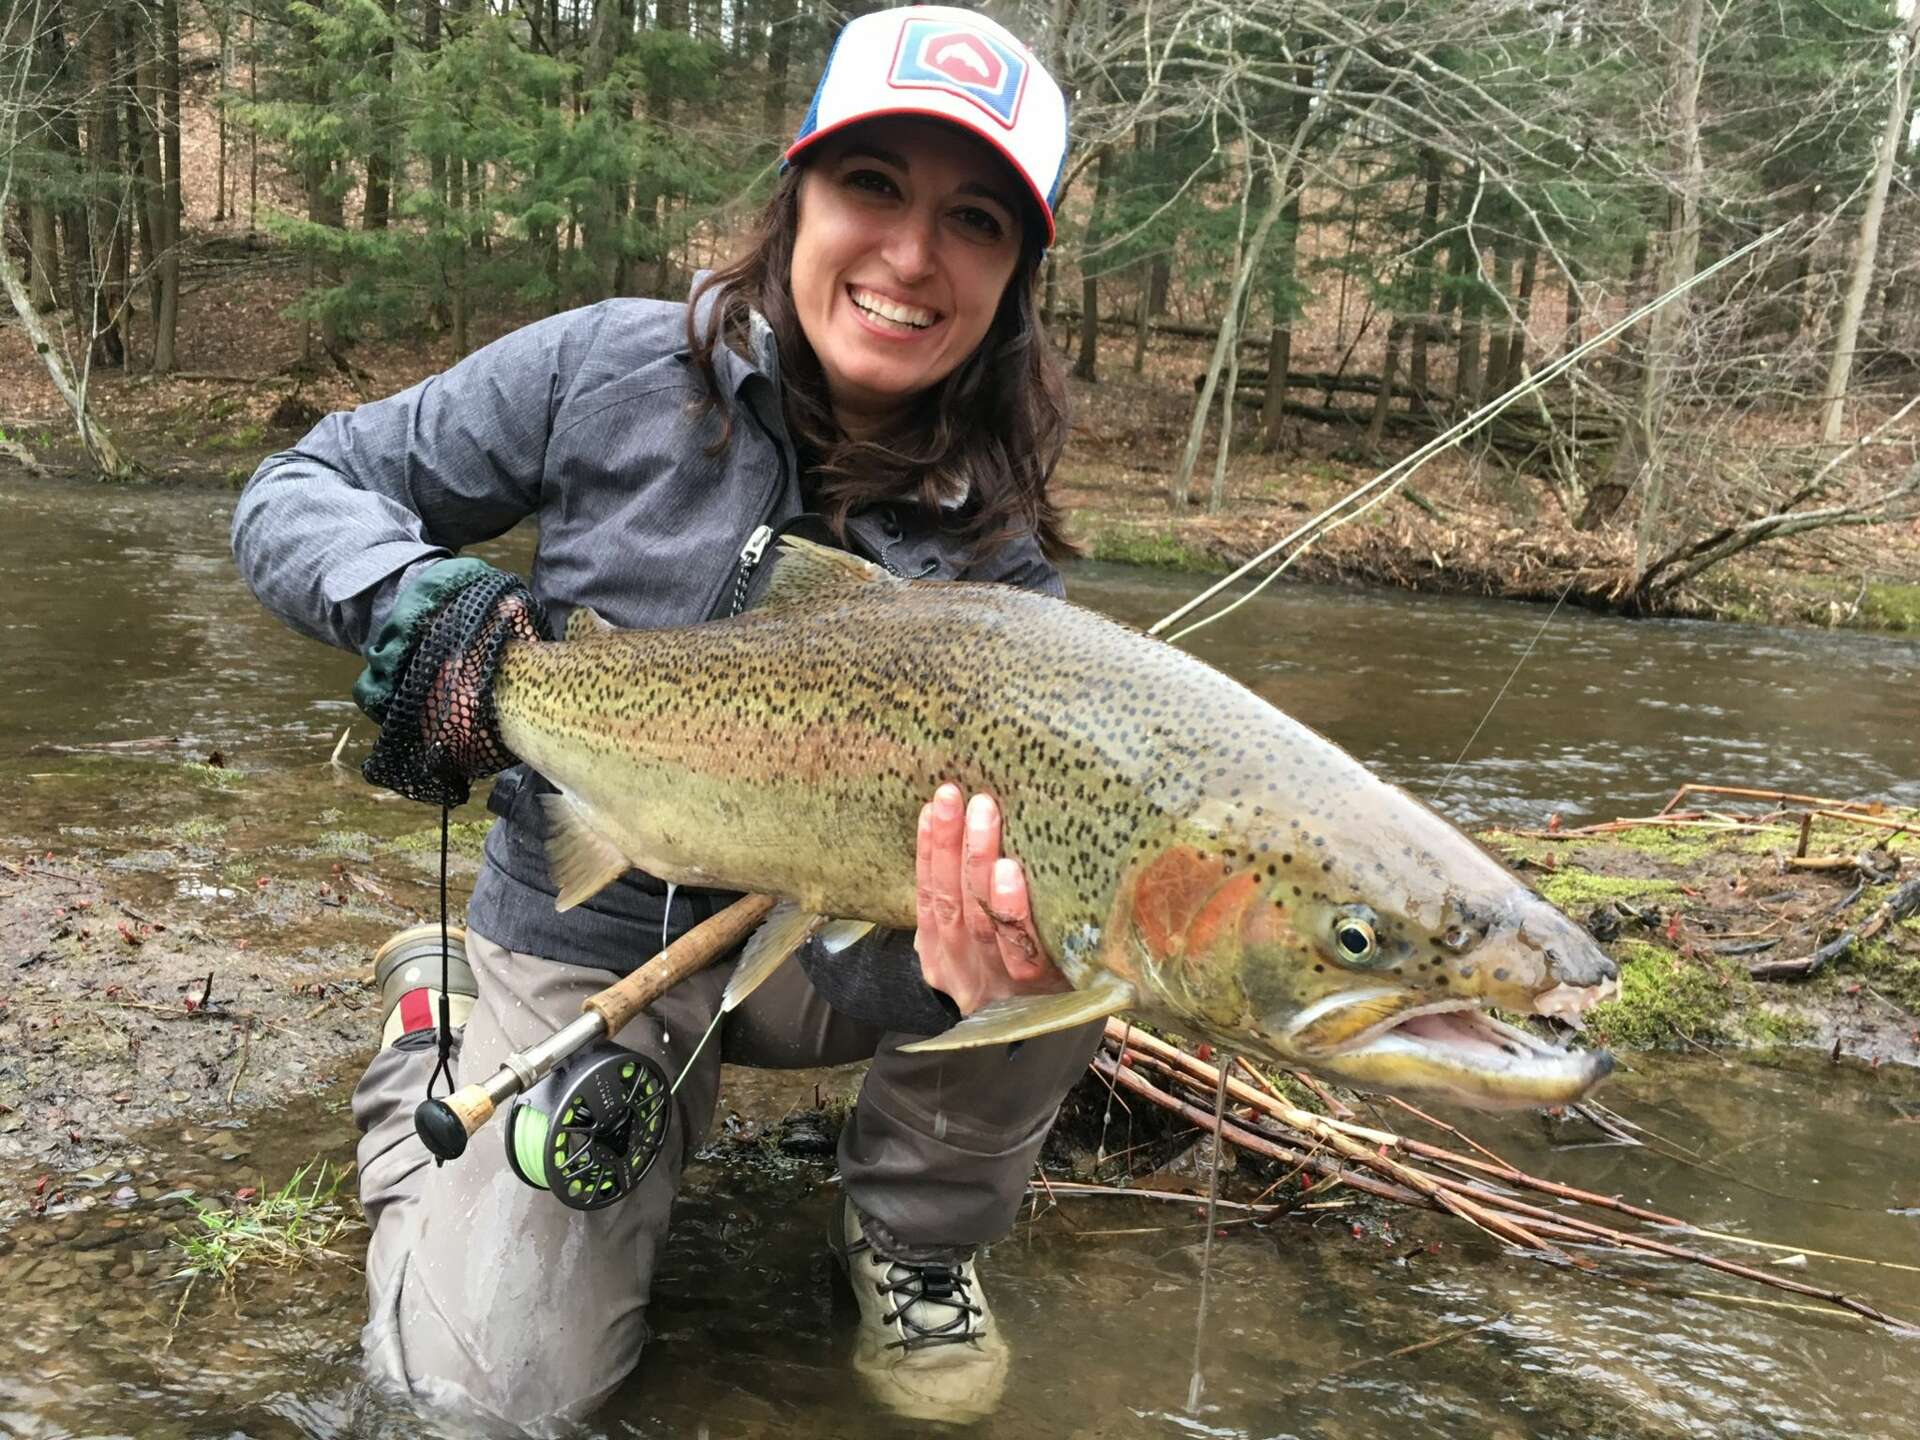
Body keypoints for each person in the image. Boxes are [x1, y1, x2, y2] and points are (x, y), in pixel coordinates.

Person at [231, 5, 1099, 1431]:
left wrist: (962, 978)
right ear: (796, 194)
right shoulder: (605, 369)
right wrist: (407, 598)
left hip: (807, 951)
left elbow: (902, 977)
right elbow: (299, 489)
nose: (910, 256)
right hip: (584, 933)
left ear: (1016, 276)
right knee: (487, 1397)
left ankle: (914, 1238)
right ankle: (436, 1017)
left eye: (976, 221)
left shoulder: (1001, 571)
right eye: (871, 186)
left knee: (1075, 921)